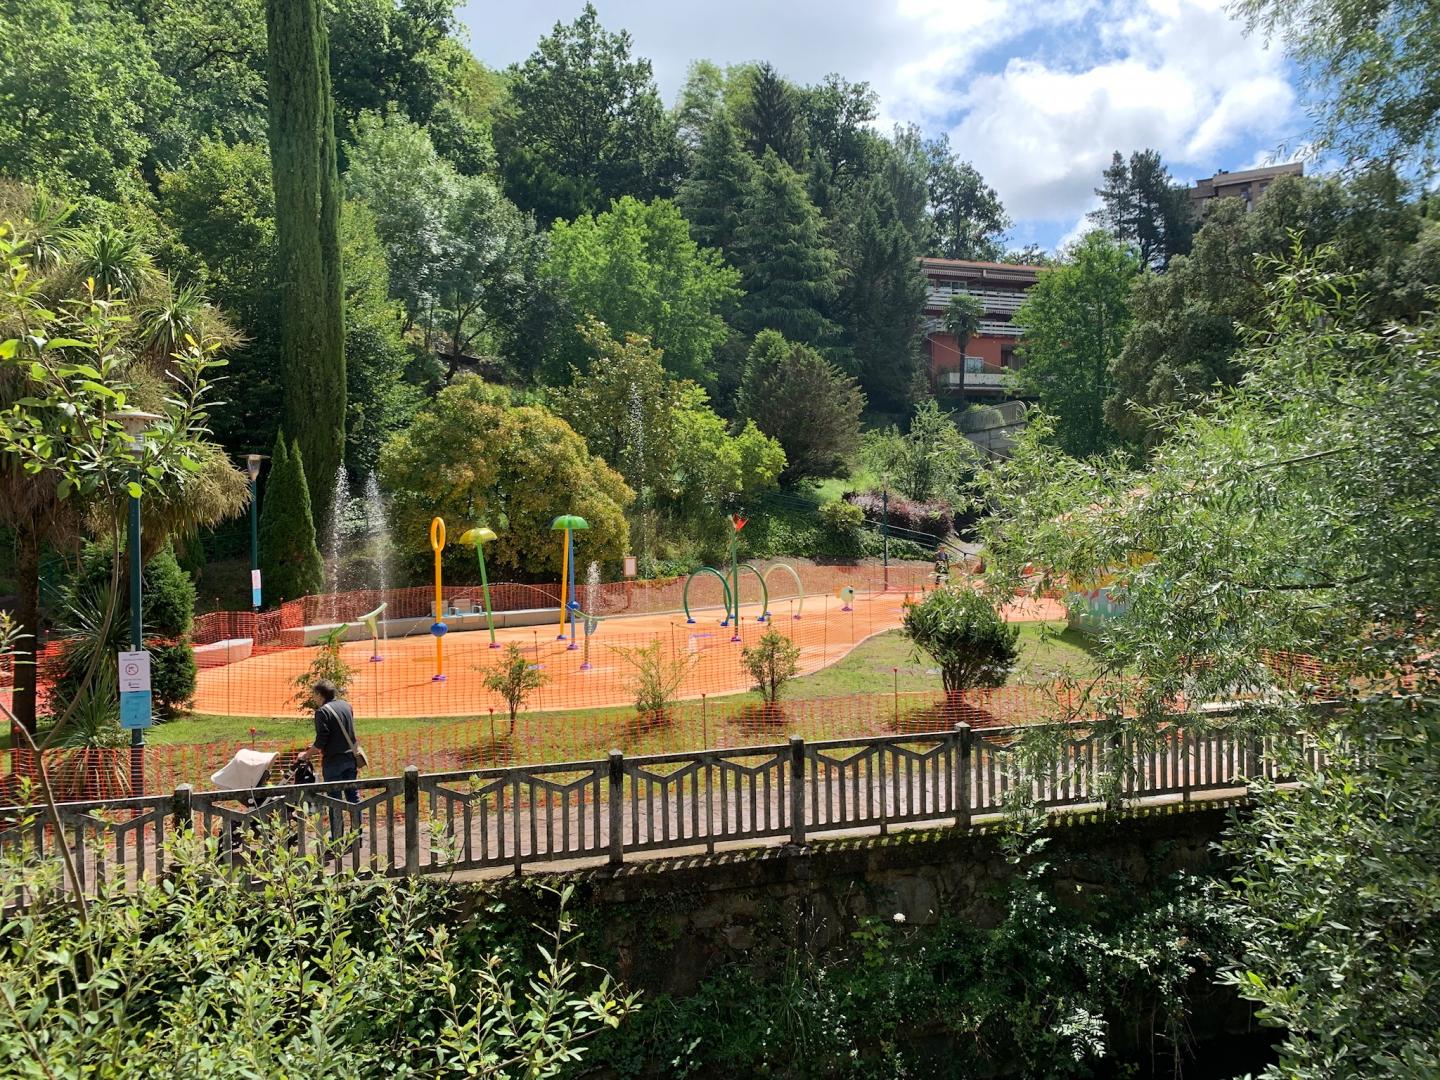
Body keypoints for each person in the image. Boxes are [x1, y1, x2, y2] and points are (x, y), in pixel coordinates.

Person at [296, 680, 361, 853]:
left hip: (333, 762)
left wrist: (306, 754)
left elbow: (321, 741)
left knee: (334, 801)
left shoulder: (322, 712)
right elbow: (342, 733)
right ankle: (357, 836)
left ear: (320, 695)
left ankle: (337, 839)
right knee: (353, 797)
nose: (314, 698)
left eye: (314, 695)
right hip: (350, 758)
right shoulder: (346, 706)